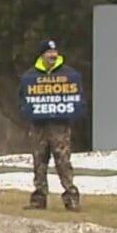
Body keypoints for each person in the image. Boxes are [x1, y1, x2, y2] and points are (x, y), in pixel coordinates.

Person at [21, 39, 80, 211]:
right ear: (42, 55)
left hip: (60, 127)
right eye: (49, 52)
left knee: (63, 162)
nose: (53, 55)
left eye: (55, 52)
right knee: (39, 162)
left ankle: (71, 197)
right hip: (39, 127)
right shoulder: (31, 76)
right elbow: (22, 98)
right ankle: (39, 198)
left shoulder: (69, 75)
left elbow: (78, 97)